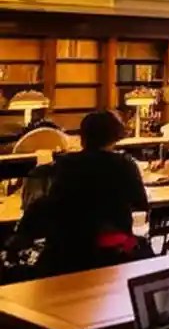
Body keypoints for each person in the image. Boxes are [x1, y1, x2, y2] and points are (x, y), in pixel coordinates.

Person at [38, 110, 151, 274]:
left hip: (68, 249)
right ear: (115, 135)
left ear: (83, 136)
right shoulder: (124, 164)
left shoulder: (66, 164)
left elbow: (53, 202)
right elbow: (140, 203)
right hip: (112, 249)